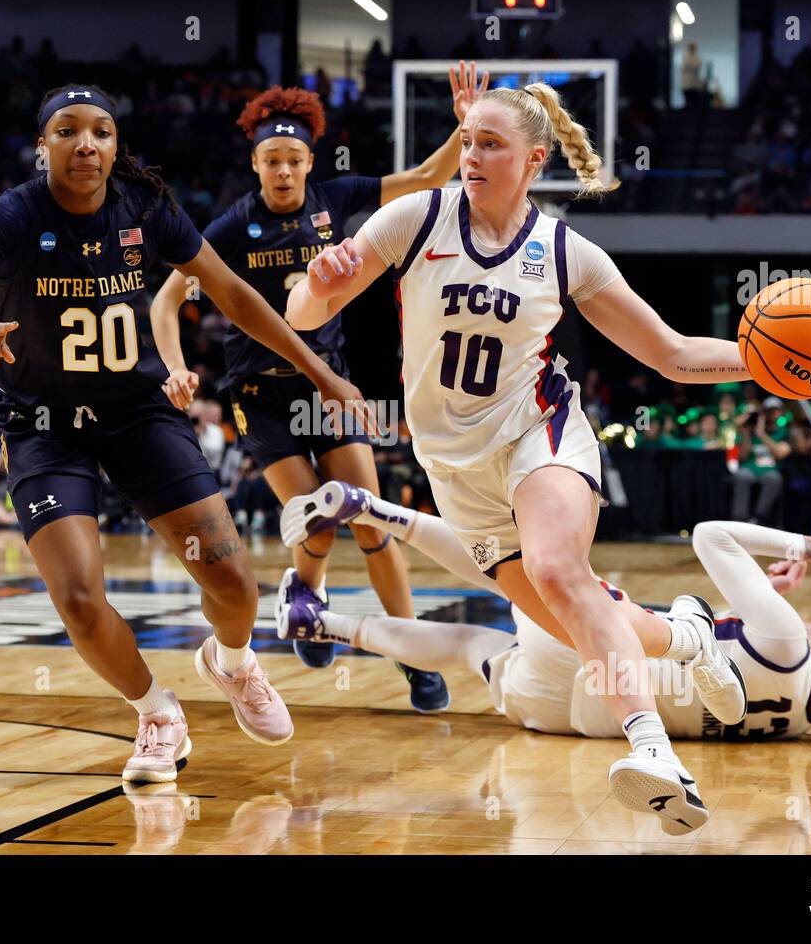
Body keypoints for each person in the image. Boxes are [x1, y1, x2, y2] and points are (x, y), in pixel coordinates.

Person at [284, 81, 756, 833]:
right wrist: (316, 288)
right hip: (453, 466)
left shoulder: (567, 252)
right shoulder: (415, 217)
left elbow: (670, 354)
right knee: (580, 620)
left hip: (541, 432)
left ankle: (655, 752)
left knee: (558, 570)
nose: (471, 155)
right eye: (467, 140)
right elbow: (304, 316)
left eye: (490, 144)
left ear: (534, 159)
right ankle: (691, 637)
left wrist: (761, 364)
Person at [0, 83, 371, 784]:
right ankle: (156, 712)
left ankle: (233, 663)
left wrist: (321, 372)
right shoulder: (10, 216)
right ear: (44, 148)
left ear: (115, 146)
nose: (87, 143)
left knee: (232, 581)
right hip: (44, 427)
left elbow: (233, 295)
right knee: (75, 598)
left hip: (137, 413)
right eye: (67, 130)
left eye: (101, 130)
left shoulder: (146, 207)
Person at [150, 66, 492, 711]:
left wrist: (463, 127)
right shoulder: (229, 227)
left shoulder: (335, 200)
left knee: (368, 519)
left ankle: (411, 654)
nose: (282, 171)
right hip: (260, 393)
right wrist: (173, 365)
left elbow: (424, 179)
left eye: (294, 160)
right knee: (319, 519)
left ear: (310, 163)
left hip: (329, 388)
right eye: (270, 160)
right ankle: (307, 595)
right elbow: (166, 302)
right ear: (256, 165)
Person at [277, 484, 811, 744]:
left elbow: (711, 535)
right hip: (579, 720)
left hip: (602, 654)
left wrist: (809, 548)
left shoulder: (789, 637)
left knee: (505, 565)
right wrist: (759, 597)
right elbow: (719, 656)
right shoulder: (802, 721)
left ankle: (375, 511)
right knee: (472, 643)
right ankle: (318, 622)